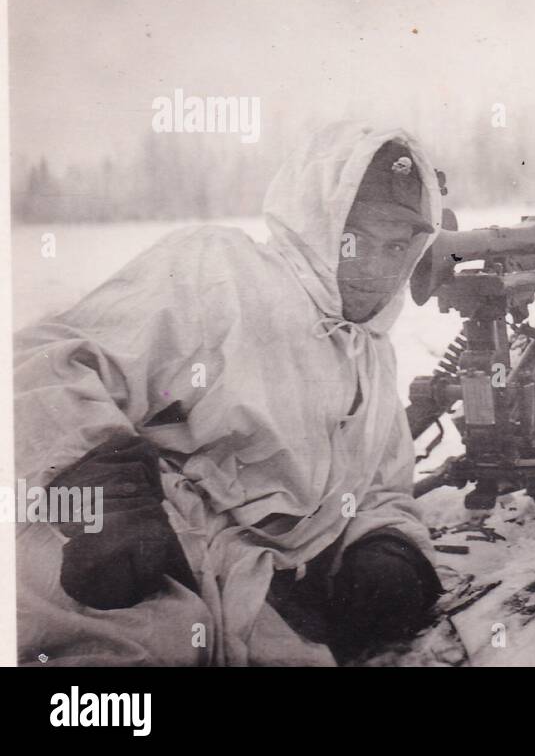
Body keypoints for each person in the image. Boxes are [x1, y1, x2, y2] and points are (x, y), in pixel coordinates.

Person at [14, 121, 446, 665]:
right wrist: (99, 489)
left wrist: (388, 550)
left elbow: (382, 490)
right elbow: (40, 364)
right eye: (354, 241)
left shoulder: (371, 351)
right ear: (316, 222)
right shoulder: (219, 272)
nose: (377, 268)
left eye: (396, 247)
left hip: (256, 587)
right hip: (126, 552)